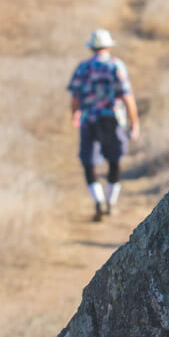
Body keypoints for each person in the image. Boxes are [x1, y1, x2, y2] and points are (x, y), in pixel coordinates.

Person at [68, 29, 140, 221]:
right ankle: (110, 202)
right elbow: (127, 96)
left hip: (89, 119)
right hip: (112, 118)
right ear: (108, 46)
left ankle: (99, 201)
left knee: (88, 161)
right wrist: (135, 122)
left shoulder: (83, 67)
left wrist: (75, 114)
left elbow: (75, 96)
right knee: (115, 160)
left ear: (92, 47)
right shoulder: (116, 66)